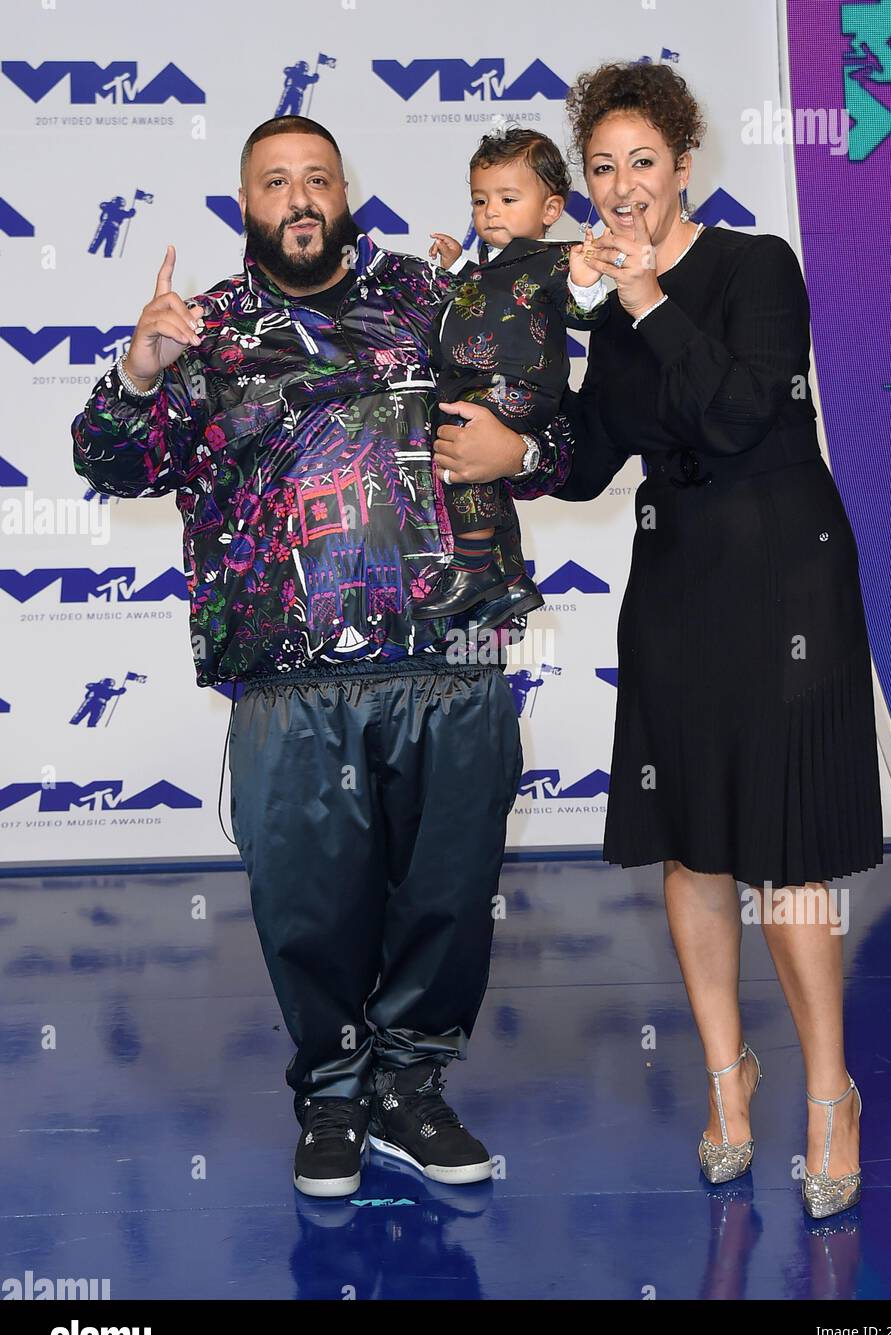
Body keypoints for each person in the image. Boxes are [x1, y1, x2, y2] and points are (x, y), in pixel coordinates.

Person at [70, 114, 572, 1199]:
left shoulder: (434, 299)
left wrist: (521, 448)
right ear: (244, 204)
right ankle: (335, 1092)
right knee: (310, 906)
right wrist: (141, 367)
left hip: (455, 650)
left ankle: (411, 1089)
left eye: (316, 179)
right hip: (288, 678)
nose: (297, 199)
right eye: (272, 184)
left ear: (345, 192)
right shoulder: (202, 328)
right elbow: (110, 461)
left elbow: (555, 434)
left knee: (447, 892)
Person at [431, 61, 884, 1221]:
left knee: (787, 850)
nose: (621, 187)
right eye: (599, 169)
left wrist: (639, 300)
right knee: (693, 844)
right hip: (675, 578)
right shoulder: (596, 295)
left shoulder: (750, 265)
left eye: (641, 163)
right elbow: (588, 453)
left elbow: (740, 413)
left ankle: (828, 1092)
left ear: (682, 164)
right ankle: (728, 1082)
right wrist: (504, 430)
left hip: (784, 575)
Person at [412, 125, 609, 624]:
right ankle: (512, 581)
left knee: (464, 452)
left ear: (549, 209)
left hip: (518, 387)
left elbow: (586, 313)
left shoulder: (556, 257)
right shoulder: (485, 265)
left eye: (506, 198)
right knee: (484, 471)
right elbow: (474, 303)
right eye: (480, 201)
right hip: (475, 387)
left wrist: (586, 282)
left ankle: (474, 567)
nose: (489, 211)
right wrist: (458, 269)